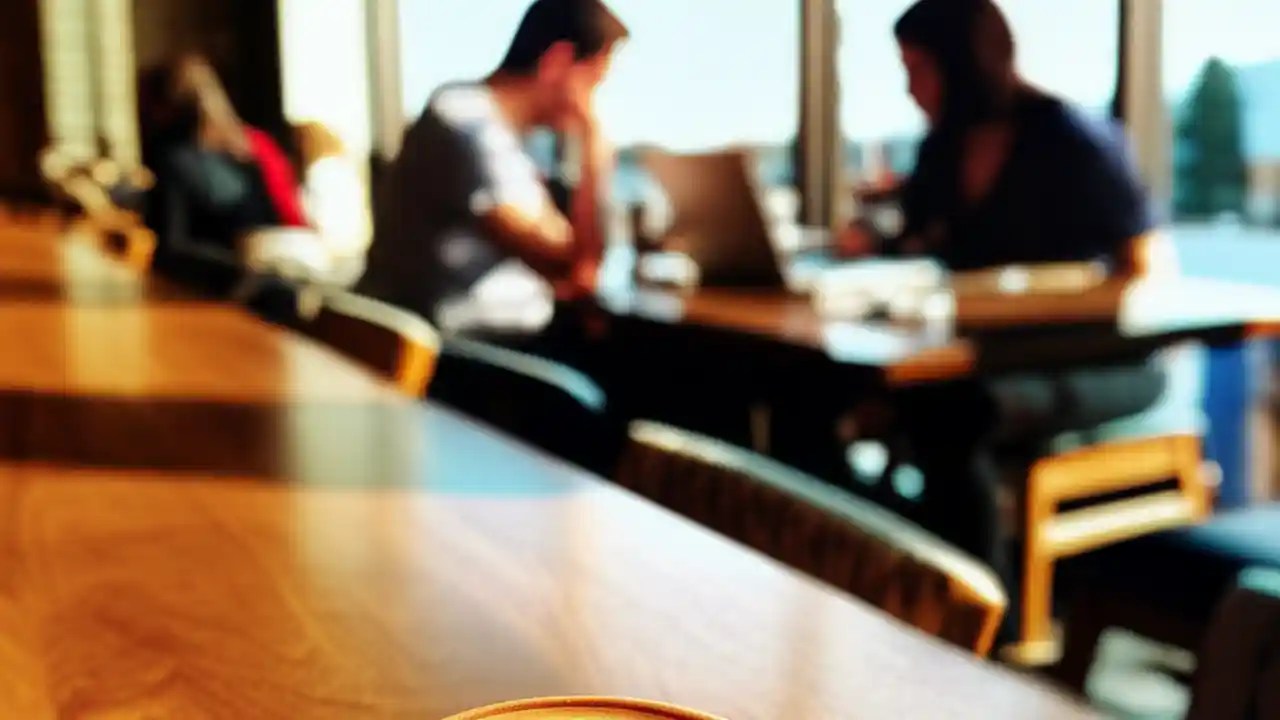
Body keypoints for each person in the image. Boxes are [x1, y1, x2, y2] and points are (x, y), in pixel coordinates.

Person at [837, 0, 1196, 638]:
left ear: (961, 63)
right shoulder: (944, 148)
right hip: (984, 359)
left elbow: (1146, 265)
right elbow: (922, 243)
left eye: (917, 67)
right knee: (867, 401)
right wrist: (873, 240)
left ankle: (981, 629)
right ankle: (892, 598)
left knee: (950, 413)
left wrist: (1050, 297)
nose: (908, 86)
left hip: (1102, 362)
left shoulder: (1069, 139)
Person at [355, 0, 626, 334]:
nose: (593, 102)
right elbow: (571, 265)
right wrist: (595, 148)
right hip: (455, 354)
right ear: (559, 62)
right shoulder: (466, 123)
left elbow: (574, 263)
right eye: (594, 83)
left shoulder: (508, 139)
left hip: (494, 342)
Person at [144, 55, 307, 274]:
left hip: (229, 273)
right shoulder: (250, 144)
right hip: (273, 261)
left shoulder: (174, 160)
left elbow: (172, 244)